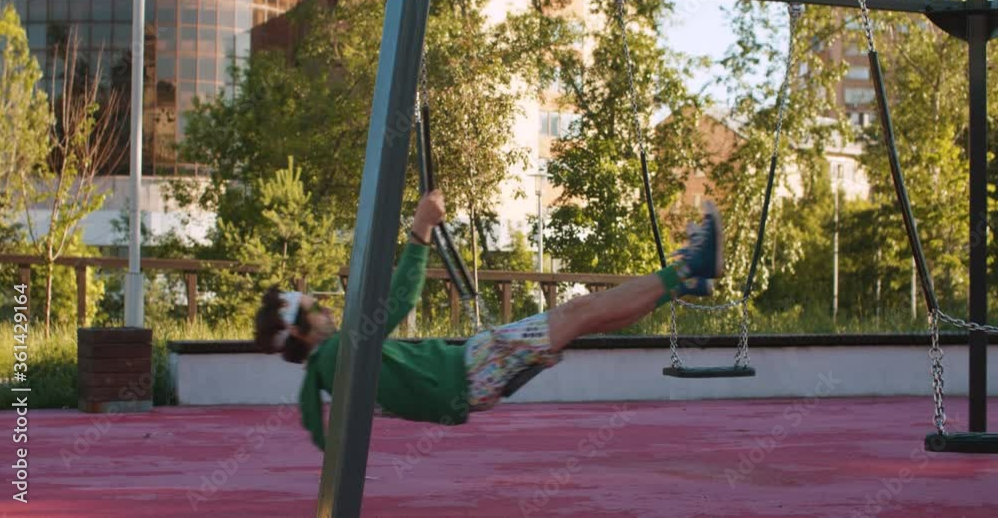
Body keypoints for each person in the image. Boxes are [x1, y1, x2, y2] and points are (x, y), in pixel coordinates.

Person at [254, 189, 723, 449]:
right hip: (473, 369)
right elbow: (396, 302)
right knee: (578, 312)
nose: (327, 306)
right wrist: (420, 229)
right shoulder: (338, 354)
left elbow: (321, 434)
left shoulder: (327, 376)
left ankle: (686, 282)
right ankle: (688, 269)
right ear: (300, 330)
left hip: (471, 379)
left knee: (580, 320)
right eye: (315, 307)